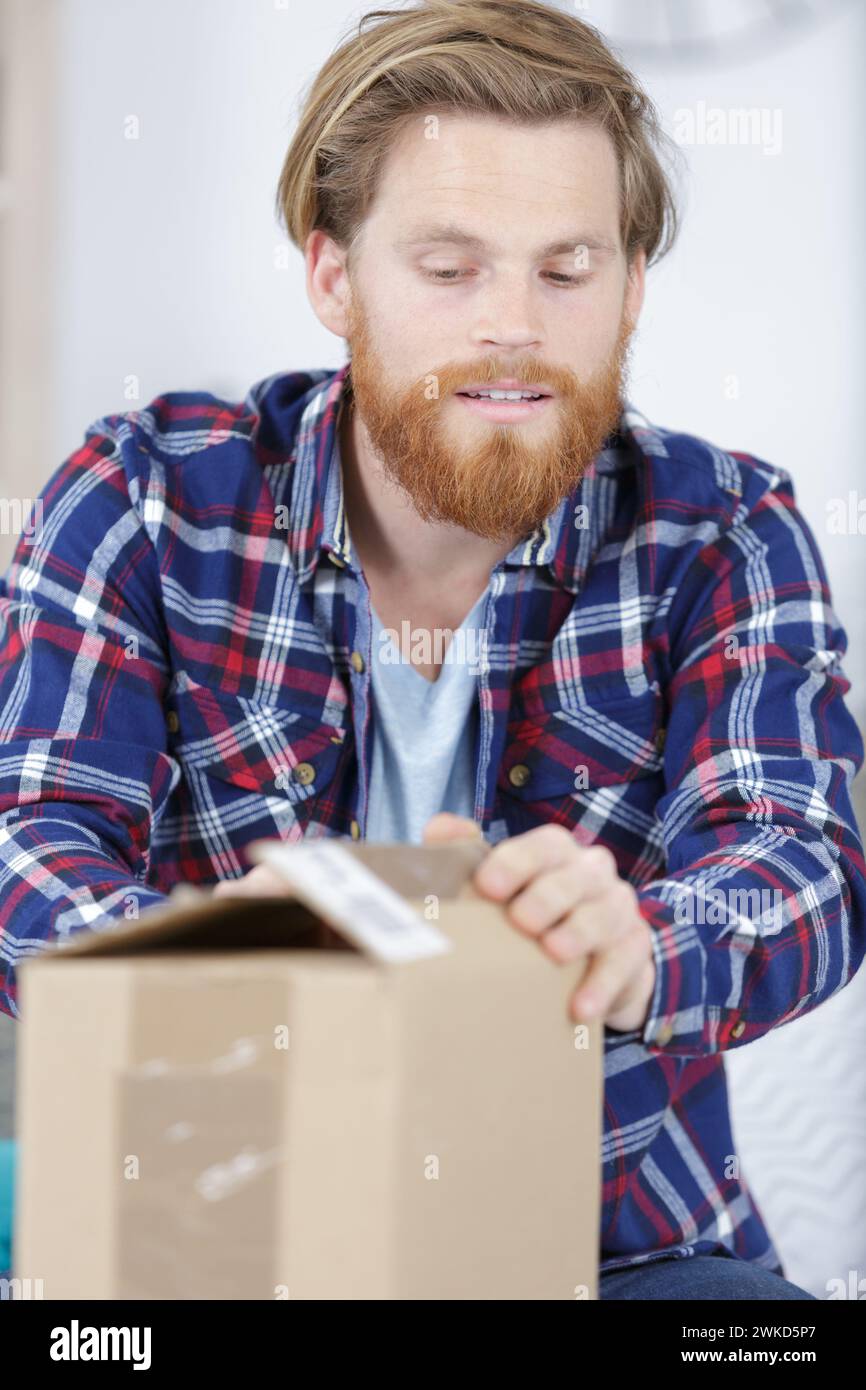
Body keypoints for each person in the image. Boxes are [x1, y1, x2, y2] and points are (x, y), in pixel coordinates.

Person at [0, 0, 861, 1300]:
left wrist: (642, 941)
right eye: (448, 267)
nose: (511, 324)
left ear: (631, 286)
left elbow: (802, 856)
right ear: (333, 275)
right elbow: (28, 837)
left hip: (619, 1254)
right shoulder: (140, 501)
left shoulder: (726, 530)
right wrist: (203, 963)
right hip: (220, 1242)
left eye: (565, 269)